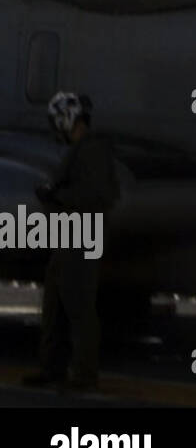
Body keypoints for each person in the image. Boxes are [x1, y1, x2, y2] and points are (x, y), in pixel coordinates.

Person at [22, 92, 118, 391]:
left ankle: (83, 374)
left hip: (80, 237)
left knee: (78, 307)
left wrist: (56, 196)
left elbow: (98, 196)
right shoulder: (84, 151)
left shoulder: (92, 152)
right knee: (56, 306)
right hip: (69, 236)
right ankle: (54, 368)